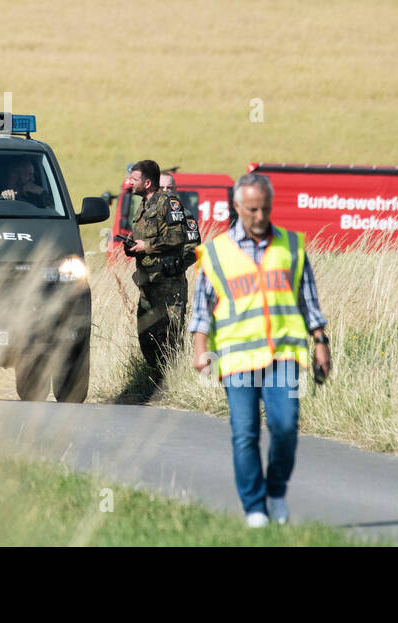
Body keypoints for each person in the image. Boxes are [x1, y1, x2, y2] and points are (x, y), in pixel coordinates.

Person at [190, 171, 332, 528]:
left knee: (285, 427)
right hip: (237, 357)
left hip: (284, 354)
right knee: (245, 432)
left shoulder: (292, 247)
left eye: (265, 209)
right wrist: (200, 349)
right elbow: (201, 310)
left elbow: (308, 301)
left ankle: (276, 492)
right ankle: (255, 508)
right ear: (237, 206)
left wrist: (321, 343)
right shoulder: (216, 253)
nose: (259, 216)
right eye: (252, 209)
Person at [124, 159, 198, 379]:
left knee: (170, 337)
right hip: (148, 283)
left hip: (167, 284)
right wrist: (131, 246)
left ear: (147, 183)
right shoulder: (143, 206)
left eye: (134, 179)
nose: (130, 183)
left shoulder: (169, 203)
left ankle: (172, 383)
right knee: (146, 336)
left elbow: (177, 237)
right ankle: (156, 380)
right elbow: (144, 235)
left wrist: (147, 246)